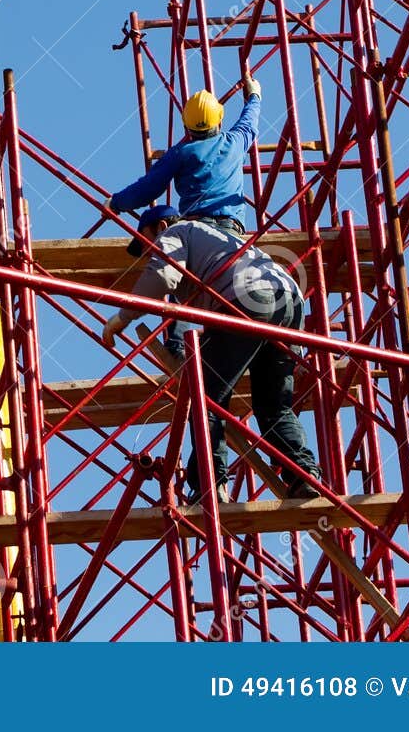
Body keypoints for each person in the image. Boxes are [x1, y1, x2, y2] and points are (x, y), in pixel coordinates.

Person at [99, 207, 321, 503]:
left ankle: (210, 484)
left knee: (206, 399)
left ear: (161, 226)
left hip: (247, 299)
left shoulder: (177, 232)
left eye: (147, 244)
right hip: (289, 302)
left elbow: (162, 274)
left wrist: (122, 317)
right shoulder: (219, 241)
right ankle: (304, 477)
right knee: (274, 405)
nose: (148, 255)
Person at [108, 77, 262, 237]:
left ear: (186, 126)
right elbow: (249, 121)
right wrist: (254, 95)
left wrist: (115, 203)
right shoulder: (235, 143)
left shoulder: (180, 153)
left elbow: (147, 188)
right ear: (220, 120)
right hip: (231, 233)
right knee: (229, 261)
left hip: (196, 232)